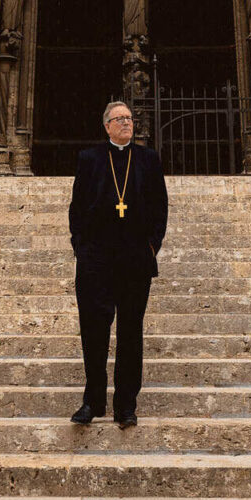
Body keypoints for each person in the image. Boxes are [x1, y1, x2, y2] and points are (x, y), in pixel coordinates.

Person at [69, 99, 168, 429]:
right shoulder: (90, 159)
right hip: (96, 259)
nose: (127, 123)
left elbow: (160, 208)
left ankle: (126, 404)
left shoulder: (148, 159)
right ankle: (92, 402)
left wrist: (151, 248)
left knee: (130, 334)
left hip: (135, 260)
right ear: (107, 125)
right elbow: (77, 208)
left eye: (129, 119)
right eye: (120, 119)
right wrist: (82, 249)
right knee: (94, 333)